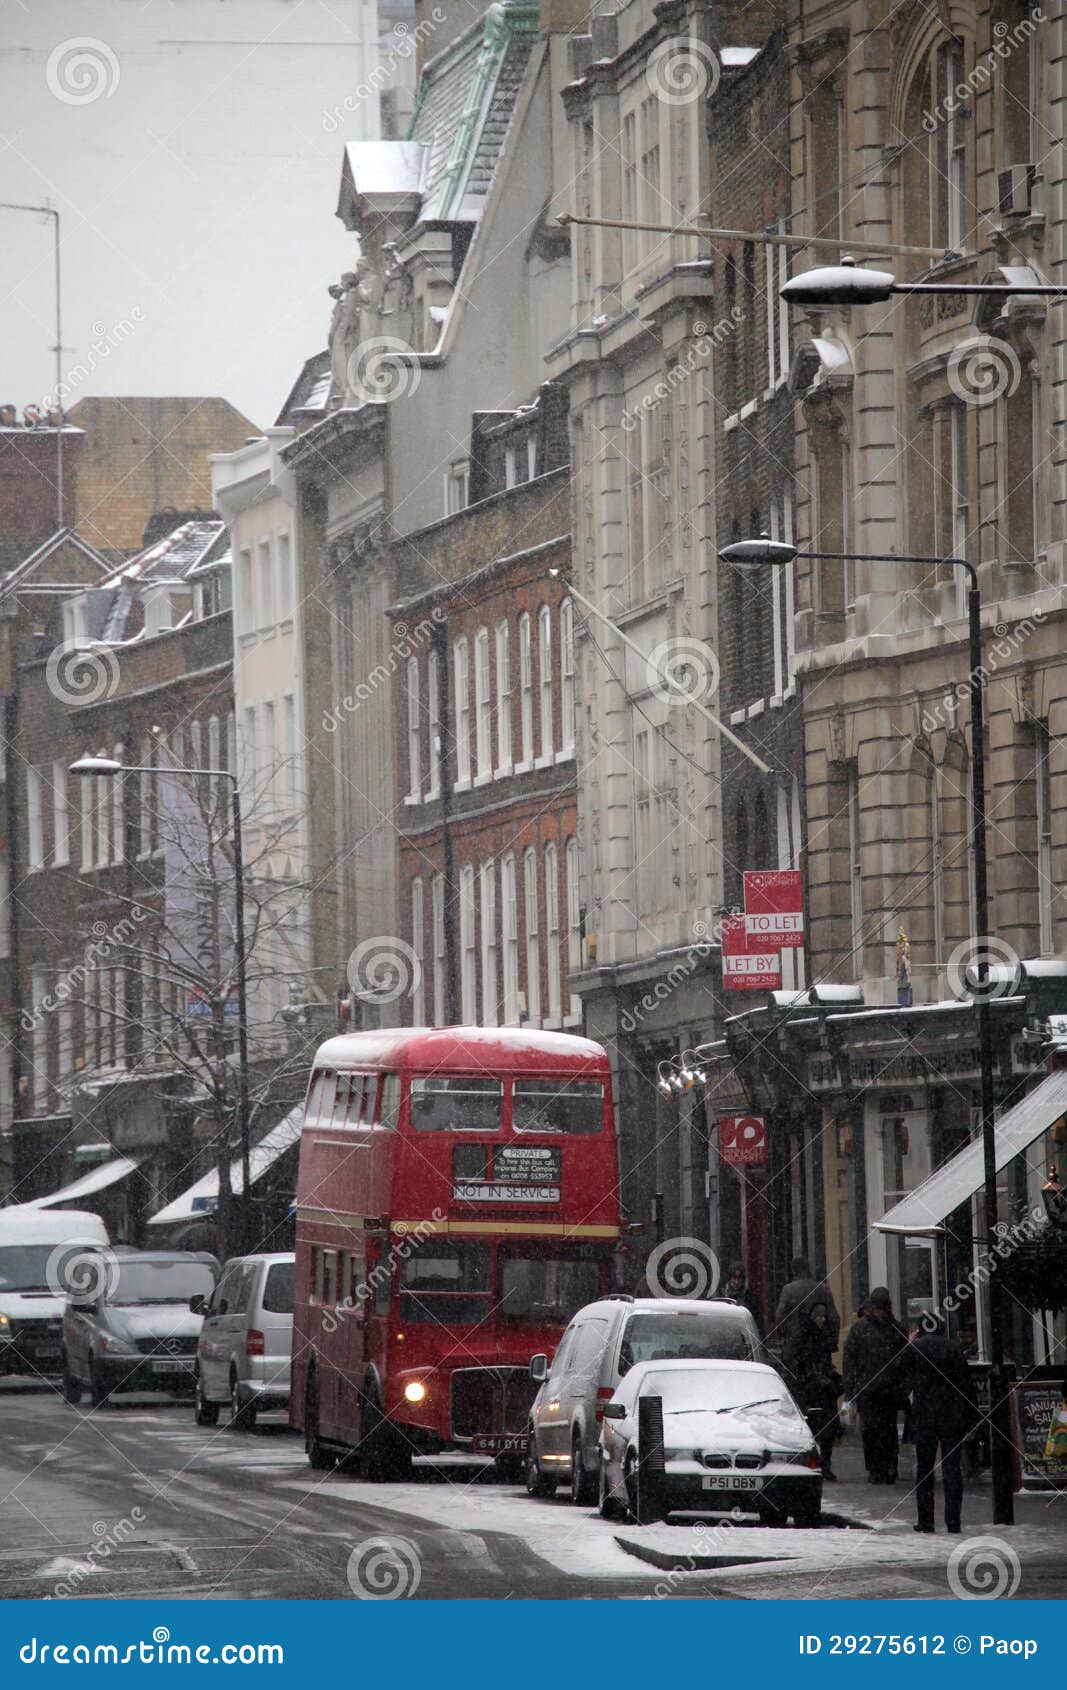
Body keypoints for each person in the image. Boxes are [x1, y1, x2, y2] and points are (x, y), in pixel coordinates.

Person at [904, 1316, 977, 1533]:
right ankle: (953, 1520)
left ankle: (926, 1520)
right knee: (952, 1468)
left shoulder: (916, 1348)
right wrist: (971, 1414)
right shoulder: (953, 1348)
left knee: (924, 1469)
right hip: (951, 1415)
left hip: (925, 1415)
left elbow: (903, 1379)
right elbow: (965, 1383)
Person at [842, 1287, 908, 1484]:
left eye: (881, 1308)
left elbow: (905, 1362)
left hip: (883, 1390)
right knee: (874, 1430)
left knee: (883, 1430)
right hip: (871, 1390)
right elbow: (850, 1360)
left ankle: (885, 1467)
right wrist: (850, 1390)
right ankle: (878, 1468)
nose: (879, 1312)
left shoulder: (882, 1329)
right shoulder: (869, 1329)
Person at [785, 1301, 842, 1479]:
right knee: (814, 1428)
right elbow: (798, 1364)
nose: (821, 1320)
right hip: (810, 1390)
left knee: (826, 1430)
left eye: (823, 1317)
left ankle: (824, 1463)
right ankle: (816, 1463)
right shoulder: (804, 1338)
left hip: (821, 1390)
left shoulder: (822, 1336)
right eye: (819, 1316)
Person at [773, 1256, 841, 1353]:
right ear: (808, 1269)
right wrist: (832, 1341)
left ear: (793, 1271)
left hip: (796, 1345)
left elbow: (779, 1317)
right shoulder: (823, 1288)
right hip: (819, 1345)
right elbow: (834, 1318)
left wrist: (785, 1337)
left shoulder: (788, 1290)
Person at [724, 1262, 764, 1337]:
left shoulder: (752, 1298)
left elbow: (758, 1324)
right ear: (729, 1279)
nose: (736, 1282)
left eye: (739, 1279)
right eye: (734, 1278)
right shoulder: (722, 1297)